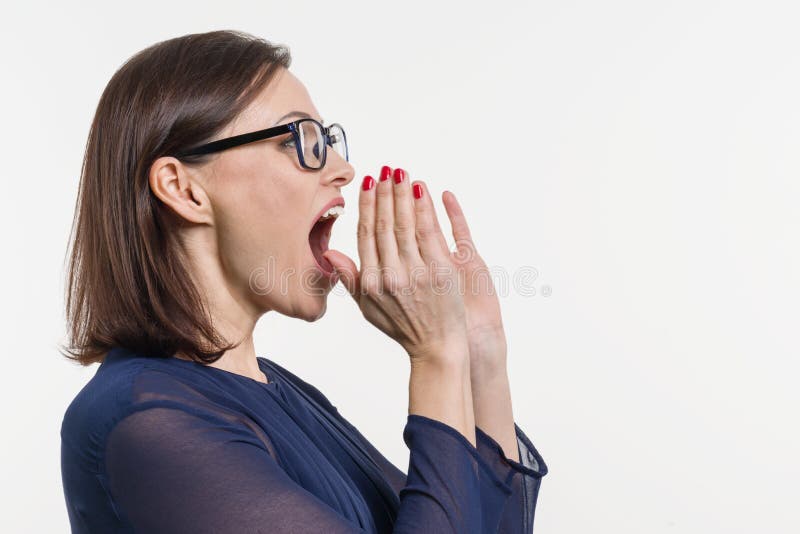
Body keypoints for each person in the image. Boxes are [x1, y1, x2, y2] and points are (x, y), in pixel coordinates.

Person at [59, 29, 548, 533]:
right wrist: (437, 356)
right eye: (301, 141)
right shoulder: (147, 421)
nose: (343, 169)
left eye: (328, 141)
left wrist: (479, 350)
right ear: (184, 190)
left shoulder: (285, 393)